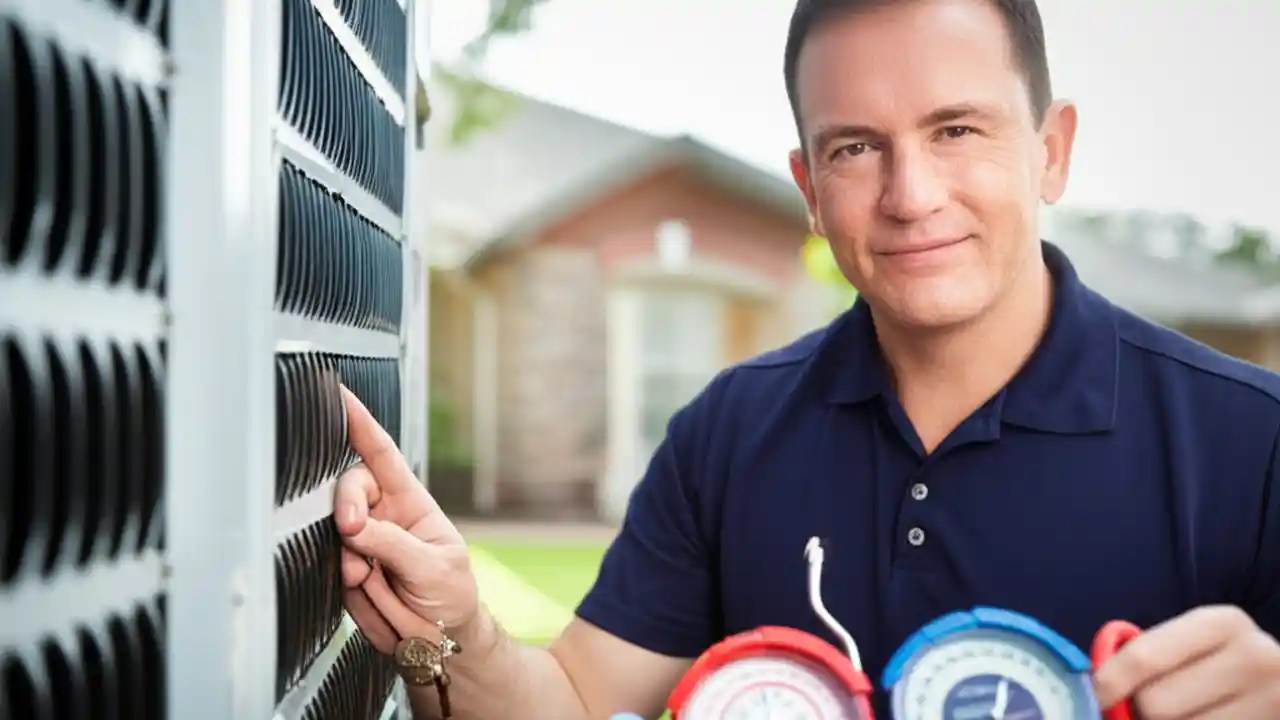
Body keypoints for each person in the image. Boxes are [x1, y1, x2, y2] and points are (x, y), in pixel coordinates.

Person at [334, 0, 1280, 717]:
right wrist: (457, 628)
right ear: (811, 191)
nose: (910, 196)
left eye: (957, 130)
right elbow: (576, 700)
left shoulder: (1255, 442)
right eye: (858, 148)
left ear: (1052, 150)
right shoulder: (730, 431)